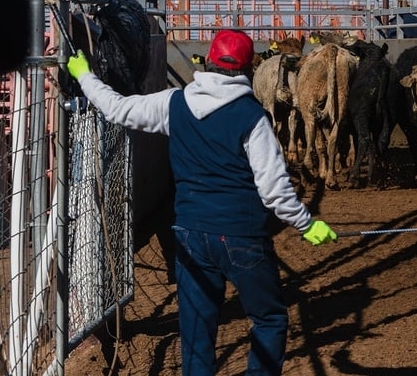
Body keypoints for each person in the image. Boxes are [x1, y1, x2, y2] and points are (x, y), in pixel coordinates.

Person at [66, 28, 336, 376]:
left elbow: (117, 109)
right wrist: (306, 223)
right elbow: (274, 192)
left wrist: (84, 75)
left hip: (190, 234)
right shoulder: (251, 116)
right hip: (242, 236)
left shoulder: (174, 102)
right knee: (268, 318)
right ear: (247, 67)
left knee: (196, 329)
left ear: (208, 61)